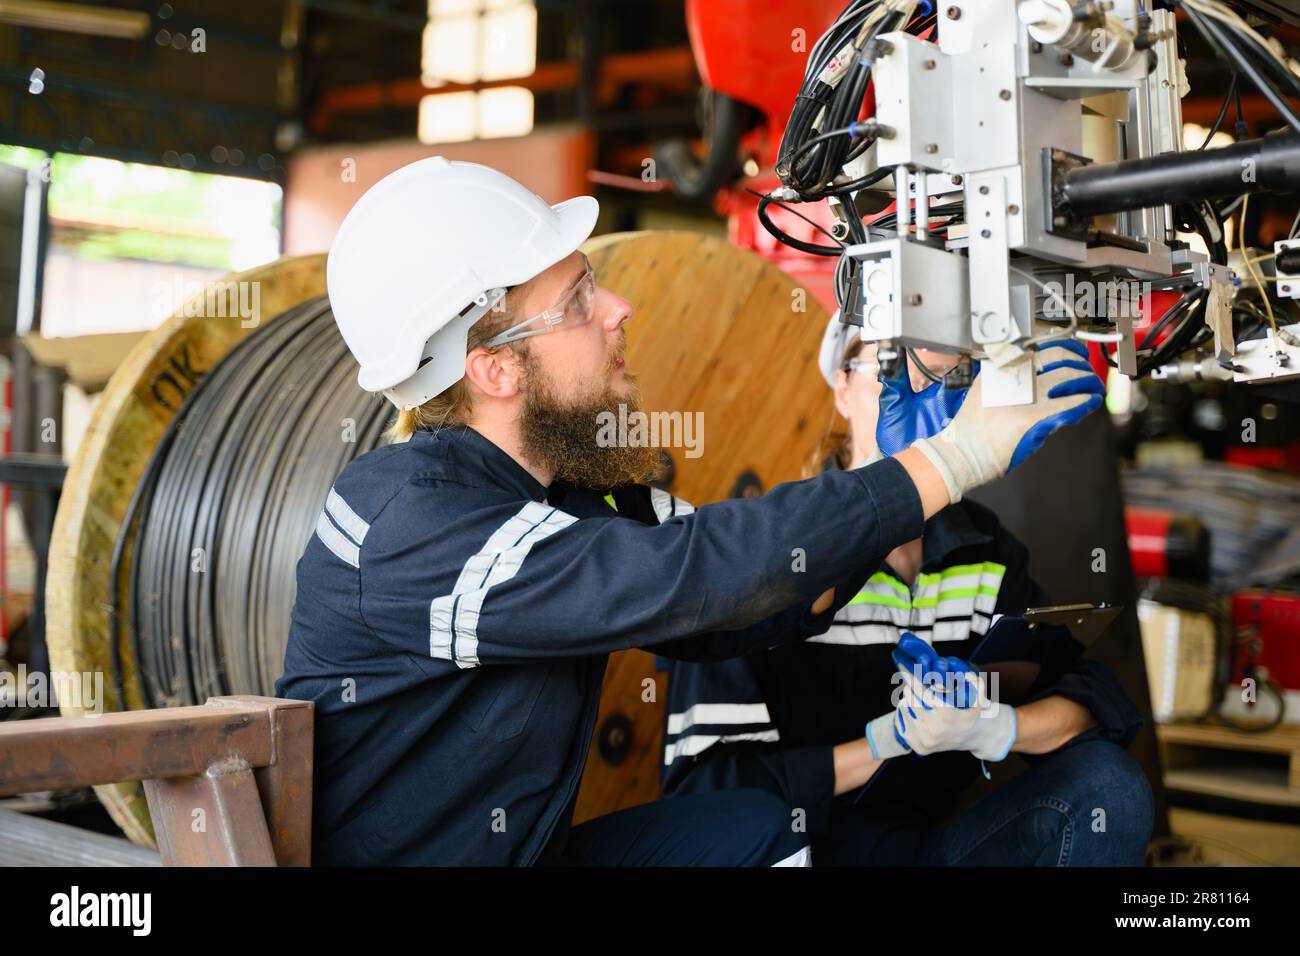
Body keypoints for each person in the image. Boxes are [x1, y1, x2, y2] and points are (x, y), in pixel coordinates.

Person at [275, 156, 1103, 866]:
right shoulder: (408, 520)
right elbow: (686, 574)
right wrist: (944, 463)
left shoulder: (565, 493)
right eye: (577, 301)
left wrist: (891, 489)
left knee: (760, 828)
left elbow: (732, 608)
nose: (618, 309)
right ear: (494, 369)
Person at [661, 315, 1154, 865]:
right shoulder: (774, 548)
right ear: (843, 389)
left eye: (946, 377)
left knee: (1108, 790)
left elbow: (1090, 698)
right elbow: (704, 792)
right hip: (800, 852)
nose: (920, 400)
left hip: (933, 846)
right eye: (894, 370)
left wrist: (994, 726)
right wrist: (886, 745)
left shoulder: (982, 550)